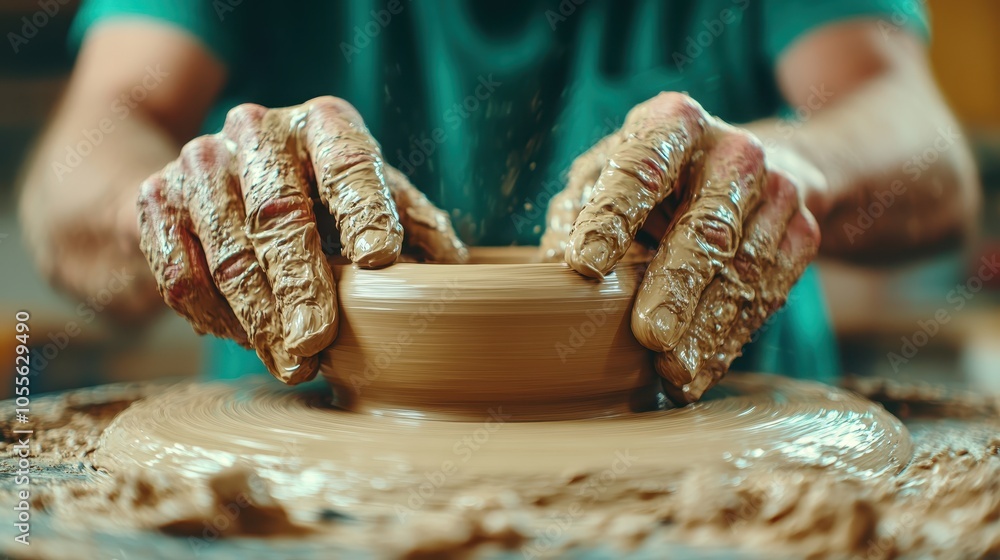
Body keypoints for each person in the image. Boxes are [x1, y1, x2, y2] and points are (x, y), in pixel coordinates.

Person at [18, 1, 978, 403]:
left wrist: (792, 163)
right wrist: (189, 204)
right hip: (310, 492)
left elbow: (922, 145)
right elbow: (87, 151)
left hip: (727, 482)